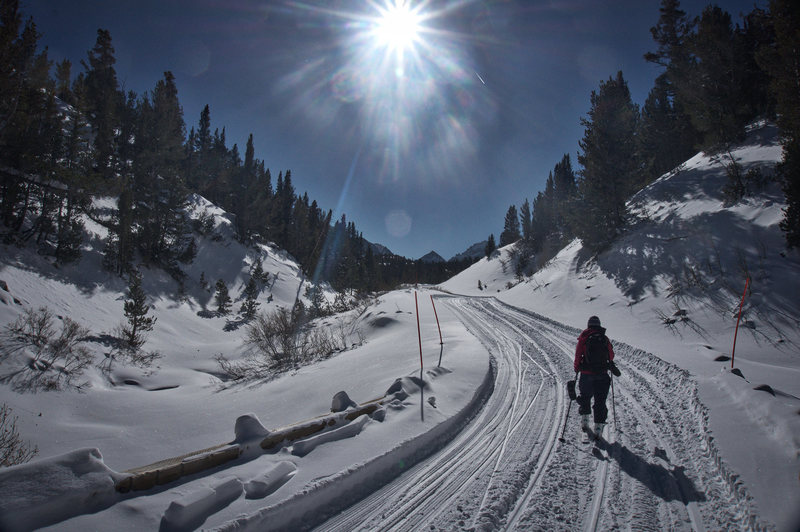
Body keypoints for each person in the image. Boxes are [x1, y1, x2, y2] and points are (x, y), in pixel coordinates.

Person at [573, 315, 615, 437]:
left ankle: (585, 421)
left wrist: (577, 368)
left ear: (589, 325)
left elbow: (578, 354)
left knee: (585, 397)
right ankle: (598, 428)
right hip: (602, 374)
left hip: (586, 374)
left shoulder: (584, 337)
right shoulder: (604, 338)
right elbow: (611, 356)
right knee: (600, 400)